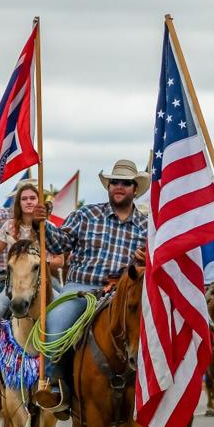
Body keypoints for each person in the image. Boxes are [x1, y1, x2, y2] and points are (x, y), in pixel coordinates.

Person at [27, 160, 148, 413]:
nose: (119, 186)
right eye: (114, 182)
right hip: (82, 288)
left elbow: (157, 261)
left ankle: (151, 390)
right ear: (108, 186)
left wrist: (148, 260)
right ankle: (55, 386)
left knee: (156, 332)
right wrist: (42, 224)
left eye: (125, 183)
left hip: (123, 294)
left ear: (135, 189)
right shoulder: (86, 215)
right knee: (53, 326)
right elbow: (59, 243)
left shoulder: (148, 226)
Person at [0, 179, 64, 391]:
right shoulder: (10, 226)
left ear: (39, 201)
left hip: (42, 280)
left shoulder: (48, 227)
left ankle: (65, 374)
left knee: (67, 311)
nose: (28, 202)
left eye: (33, 198)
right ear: (18, 202)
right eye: (24, 198)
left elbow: (60, 260)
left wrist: (40, 263)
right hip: (14, 282)